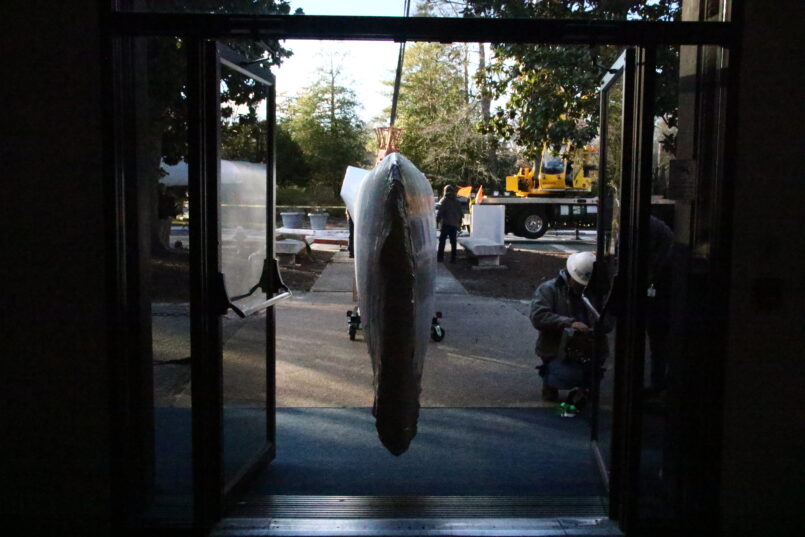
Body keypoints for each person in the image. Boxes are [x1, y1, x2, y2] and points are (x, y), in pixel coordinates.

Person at [529, 251, 597, 408]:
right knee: (566, 374)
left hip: (587, 346)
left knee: (591, 373)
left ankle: (584, 385)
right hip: (557, 347)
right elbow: (538, 316)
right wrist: (568, 323)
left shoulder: (593, 292)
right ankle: (551, 379)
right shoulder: (549, 289)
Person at [436, 184, 464, 263]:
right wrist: (459, 223)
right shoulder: (457, 201)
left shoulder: (445, 200)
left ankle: (440, 258)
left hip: (446, 223)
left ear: (446, 191)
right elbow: (461, 214)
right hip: (454, 224)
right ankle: (453, 259)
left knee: (442, 241)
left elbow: (440, 212)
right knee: (453, 242)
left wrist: (437, 220)